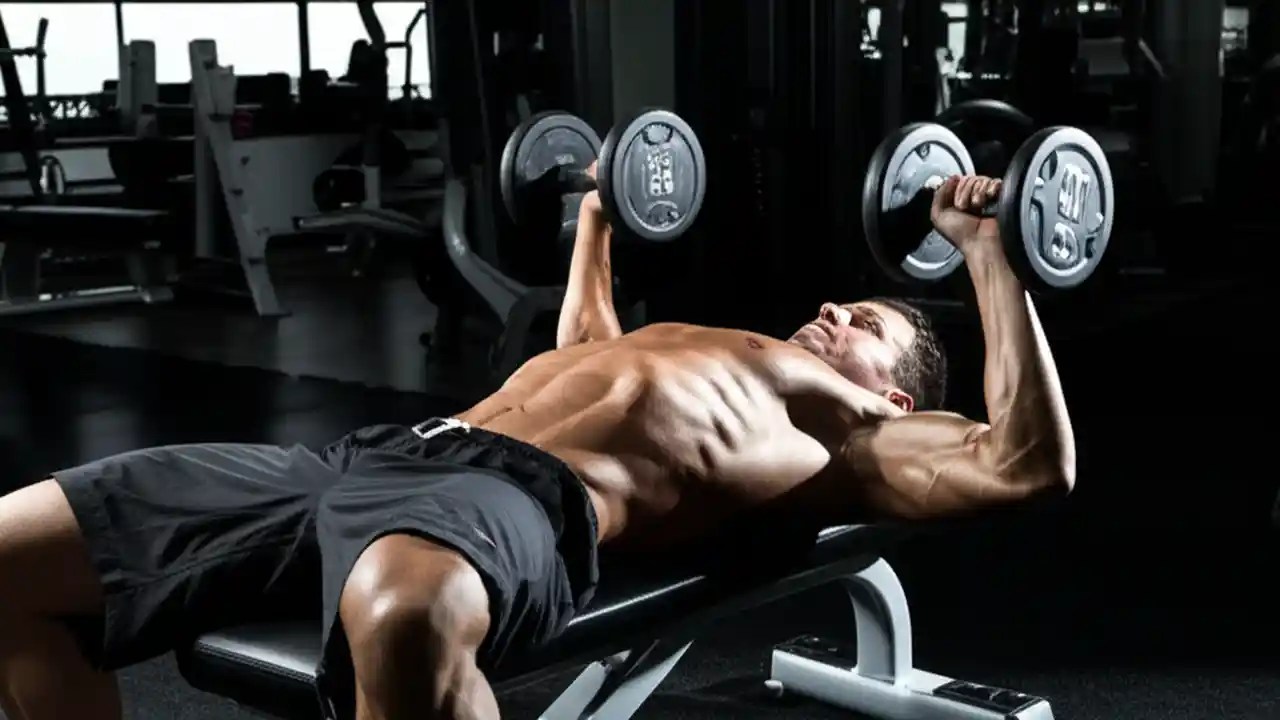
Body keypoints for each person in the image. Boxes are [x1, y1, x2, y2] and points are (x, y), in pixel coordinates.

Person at [0, 172, 1074, 720]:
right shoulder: (707, 347)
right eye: (844, 301)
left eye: (866, 325)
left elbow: (1025, 463)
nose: (836, 307)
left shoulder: (849, 437)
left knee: (404, 613)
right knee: (12, 557)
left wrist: (990, 253)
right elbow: (581, 360)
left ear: (891, 393)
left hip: (510, 497)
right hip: (362, 455)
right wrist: (599, 217)